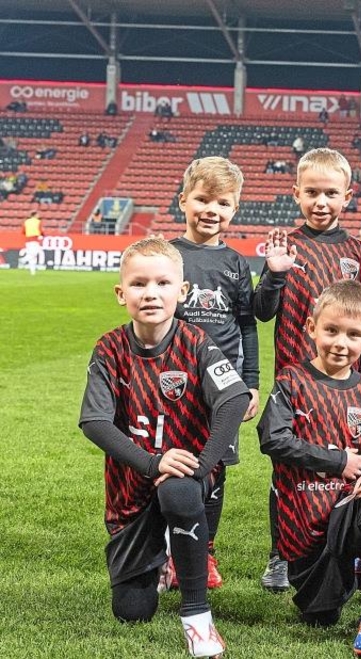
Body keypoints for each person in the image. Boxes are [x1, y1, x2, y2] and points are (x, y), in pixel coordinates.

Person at [79, 238, 249, 658]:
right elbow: (94, 421)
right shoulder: (109, 349)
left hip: (184, 480)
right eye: (138, 284)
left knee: (179, 490)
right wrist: (154, 463)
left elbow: (235, 398)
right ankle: (162, 554)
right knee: (131, 611)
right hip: (130, 494)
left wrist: (202, 466)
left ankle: (197, 617)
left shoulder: (198, 344)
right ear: (122, 294)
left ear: (183, 291)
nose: (151, 293)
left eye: (162, 282)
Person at [253, 147, 361, 592]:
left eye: (330, 193)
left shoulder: (359, 253)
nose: (320, 202)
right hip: (296, 381)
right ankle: (281, 555)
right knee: (288, 472)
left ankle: (353, 551)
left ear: (348, 196)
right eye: (311, 193)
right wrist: (273, 275)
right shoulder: (285, 248)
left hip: (348, 387)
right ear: (296, 194)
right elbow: (263, 311)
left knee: (351, 469)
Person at [258, 280, 361, 656]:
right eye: (332, 330)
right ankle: (351, 569)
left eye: (353, 335)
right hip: (305, 513)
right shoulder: (291, 382)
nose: (341, 343)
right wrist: (338, 460)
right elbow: (272, 439)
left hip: (352, 502)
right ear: (311, 328)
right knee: (319, 615)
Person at [169, 157, 260, 591]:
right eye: (203, 199)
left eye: (222, 203)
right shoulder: (169, 257)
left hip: (224, 384)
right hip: (174, 380)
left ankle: (204, 550)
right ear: (183, 200)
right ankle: (163, 549)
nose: (212, 210)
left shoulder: (237, 264)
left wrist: (253, 382)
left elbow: (247, 324)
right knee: (170, 462)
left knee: (215, 467)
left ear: (234, 209)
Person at [21, 209, 43, 275]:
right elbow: (40, 230)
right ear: (34, 215)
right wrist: (42, 235)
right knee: (34, 254)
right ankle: (23, 260)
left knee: (32, 256)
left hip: (28, 240)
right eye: (37, 214)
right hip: (35, 239)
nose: (39, 216)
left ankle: (32, 272)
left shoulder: (26, 221)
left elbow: (23, 231)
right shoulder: (38, 221)